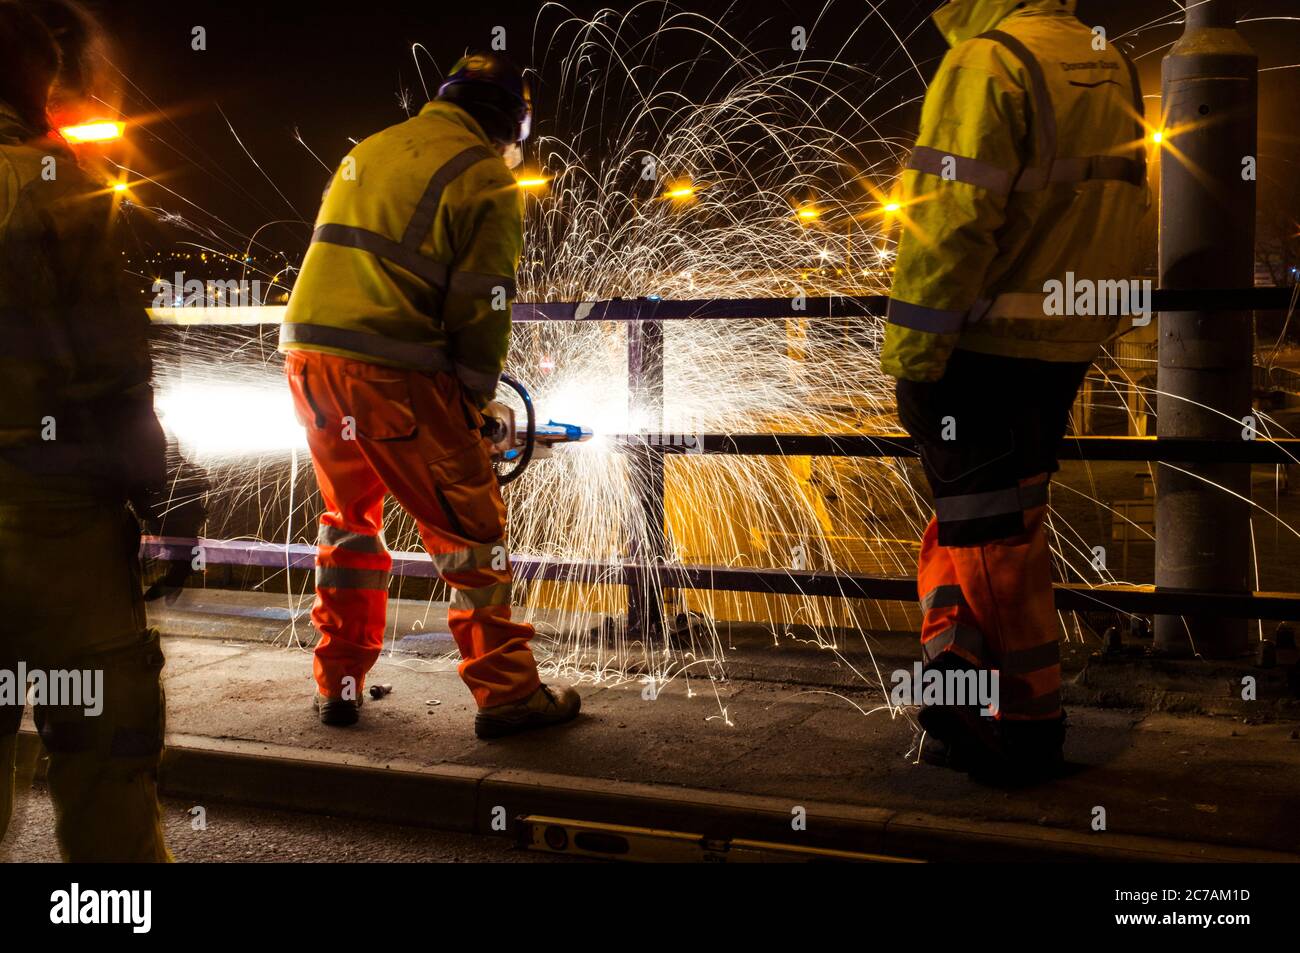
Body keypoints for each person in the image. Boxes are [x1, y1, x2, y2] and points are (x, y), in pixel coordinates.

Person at [881, 0, 1149, 777]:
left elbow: (949, 220)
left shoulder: (987, 62)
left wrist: (913, 353)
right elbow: (1129, 202)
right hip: (1060, 340)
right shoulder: (1106, 59)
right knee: (982, 523)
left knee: (992, 541)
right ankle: (955, 689)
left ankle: (1027, 724)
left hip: (983, 346)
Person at [281, 52, 580, 739]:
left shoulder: (379, 147)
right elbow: (482, 306)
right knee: (471, 532)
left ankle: (341, 681)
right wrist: (476, 406)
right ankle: (506, 693)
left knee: (349, 521)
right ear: (511, 128)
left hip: (307, 359)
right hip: (390, 373)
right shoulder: (484, 177)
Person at [0, 0, 171, 860]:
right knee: (105, 759)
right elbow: (113, 370)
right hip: (56, 525)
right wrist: (163, 495)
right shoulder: (52, 183)